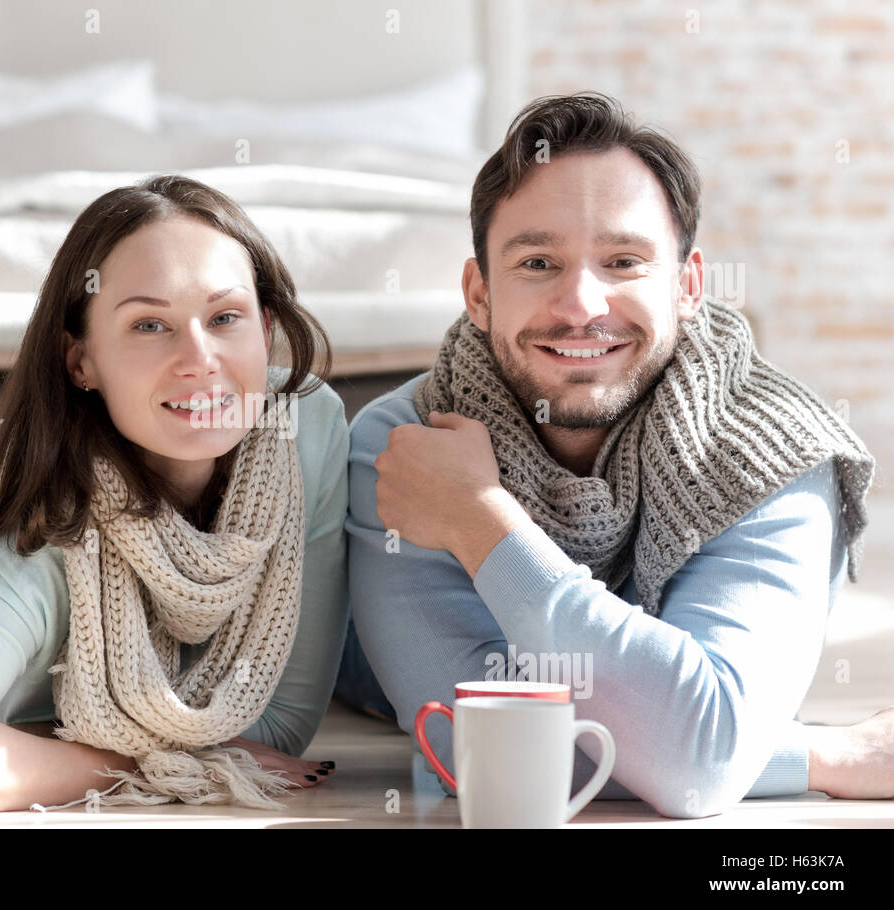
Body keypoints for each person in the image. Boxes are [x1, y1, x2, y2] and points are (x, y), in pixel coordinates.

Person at [335, 92, 891, 819]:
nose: (580, 305)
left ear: (688, 287)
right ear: (478, 292)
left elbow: (698, 757)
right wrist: (812, 756)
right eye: (538, 261)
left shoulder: (776, 452)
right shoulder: (403, 445)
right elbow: (483, 753)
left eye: (623, 261)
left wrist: (480, 522)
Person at [0, 174, 350, 816]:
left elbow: (280, 722)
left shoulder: (305, 429)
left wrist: (11, 761)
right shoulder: (50, 535)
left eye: (225, 317)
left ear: (265, 331)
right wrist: (140, 765)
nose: (199, 357)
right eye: (150, 324)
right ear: (81, 362)